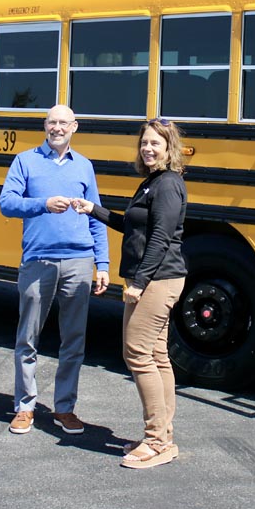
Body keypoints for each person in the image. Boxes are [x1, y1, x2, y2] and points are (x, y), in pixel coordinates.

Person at [74, 117, 187, 469]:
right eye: (144, 143)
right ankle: (163, 435)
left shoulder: (168, 184)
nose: (148, 148)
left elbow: (161, 238)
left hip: (156, 279)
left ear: (170, 148)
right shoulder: (153, 182)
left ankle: (156, 441)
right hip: (158, 277)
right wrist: (93, 209)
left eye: (156, 143)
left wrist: (138, 281)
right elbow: (133, 226)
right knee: (156, 355)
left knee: (137, 354)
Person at [0, 104, 109, 436]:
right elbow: (6, 203)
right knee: (28, 337)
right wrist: (42, 204)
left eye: (63, 122)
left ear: (74, 127)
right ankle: (25, 406)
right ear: (45, 126)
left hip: (78, 261)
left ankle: (65, 408)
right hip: (38, 261)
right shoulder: (25, 161)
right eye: (52, 122)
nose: (57, 127)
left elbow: (96, 217)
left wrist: (101, 264)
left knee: (73, 339)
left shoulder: (84, 167)